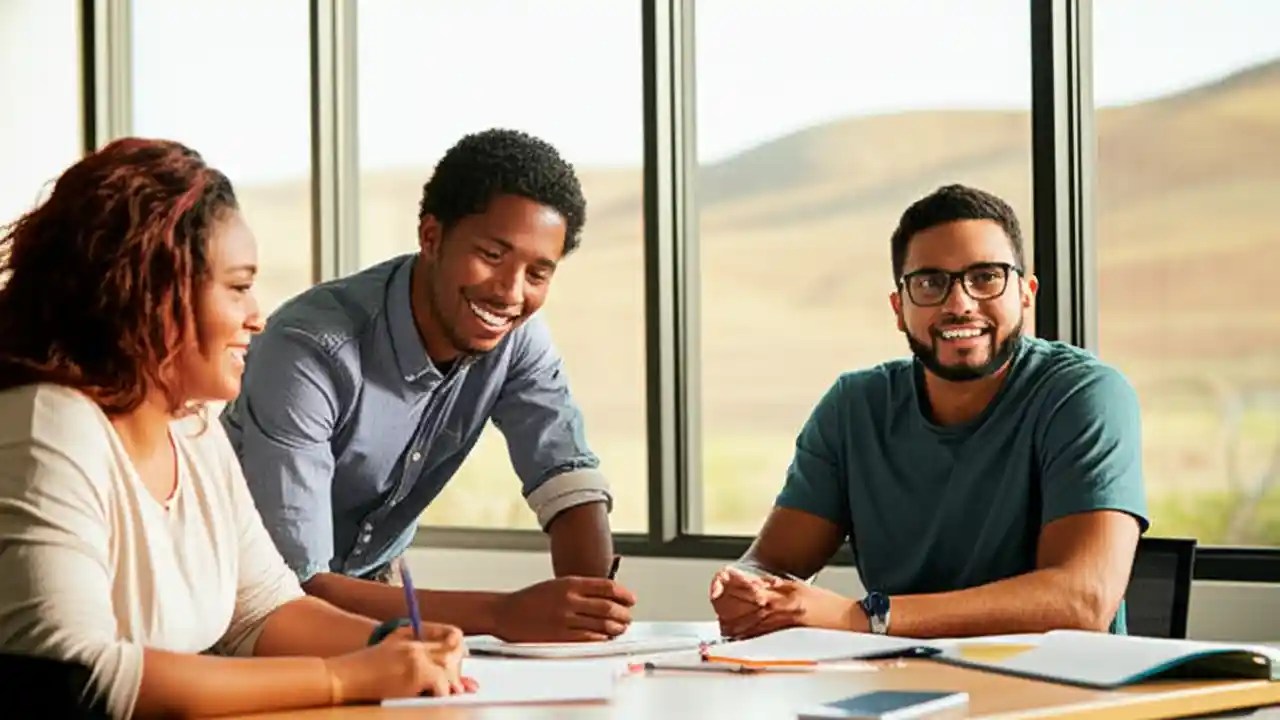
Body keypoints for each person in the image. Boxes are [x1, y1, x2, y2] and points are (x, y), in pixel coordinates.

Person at [0, 138, 473, 719]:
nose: (258, 315)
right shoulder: (50, 423)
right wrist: (339, 677)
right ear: (154, 293)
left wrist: (389, 646)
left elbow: (263, 609)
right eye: (237, 285)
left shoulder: (192, 426)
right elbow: (79, 674)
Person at [221, 128, 635, 642]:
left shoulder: (518, 337)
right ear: (432, 237)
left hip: (373, 584)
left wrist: (590, 610)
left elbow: (567, 481)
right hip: (243, 604)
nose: (510, 293)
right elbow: (294, 589)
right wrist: (505, 615)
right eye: (492, 255)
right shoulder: (308, 349)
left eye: (537, 273)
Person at [708, 184, 1148, 640]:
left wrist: (866, 617)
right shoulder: (854, 407)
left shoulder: (1083, 394)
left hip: (1059, 696)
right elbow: (773, 562)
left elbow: (1083, 599)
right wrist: (747, 586)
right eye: (930, 283)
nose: (958, 304)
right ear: (899, 308)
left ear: (1026, 293)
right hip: (897, 690)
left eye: (985, 277)